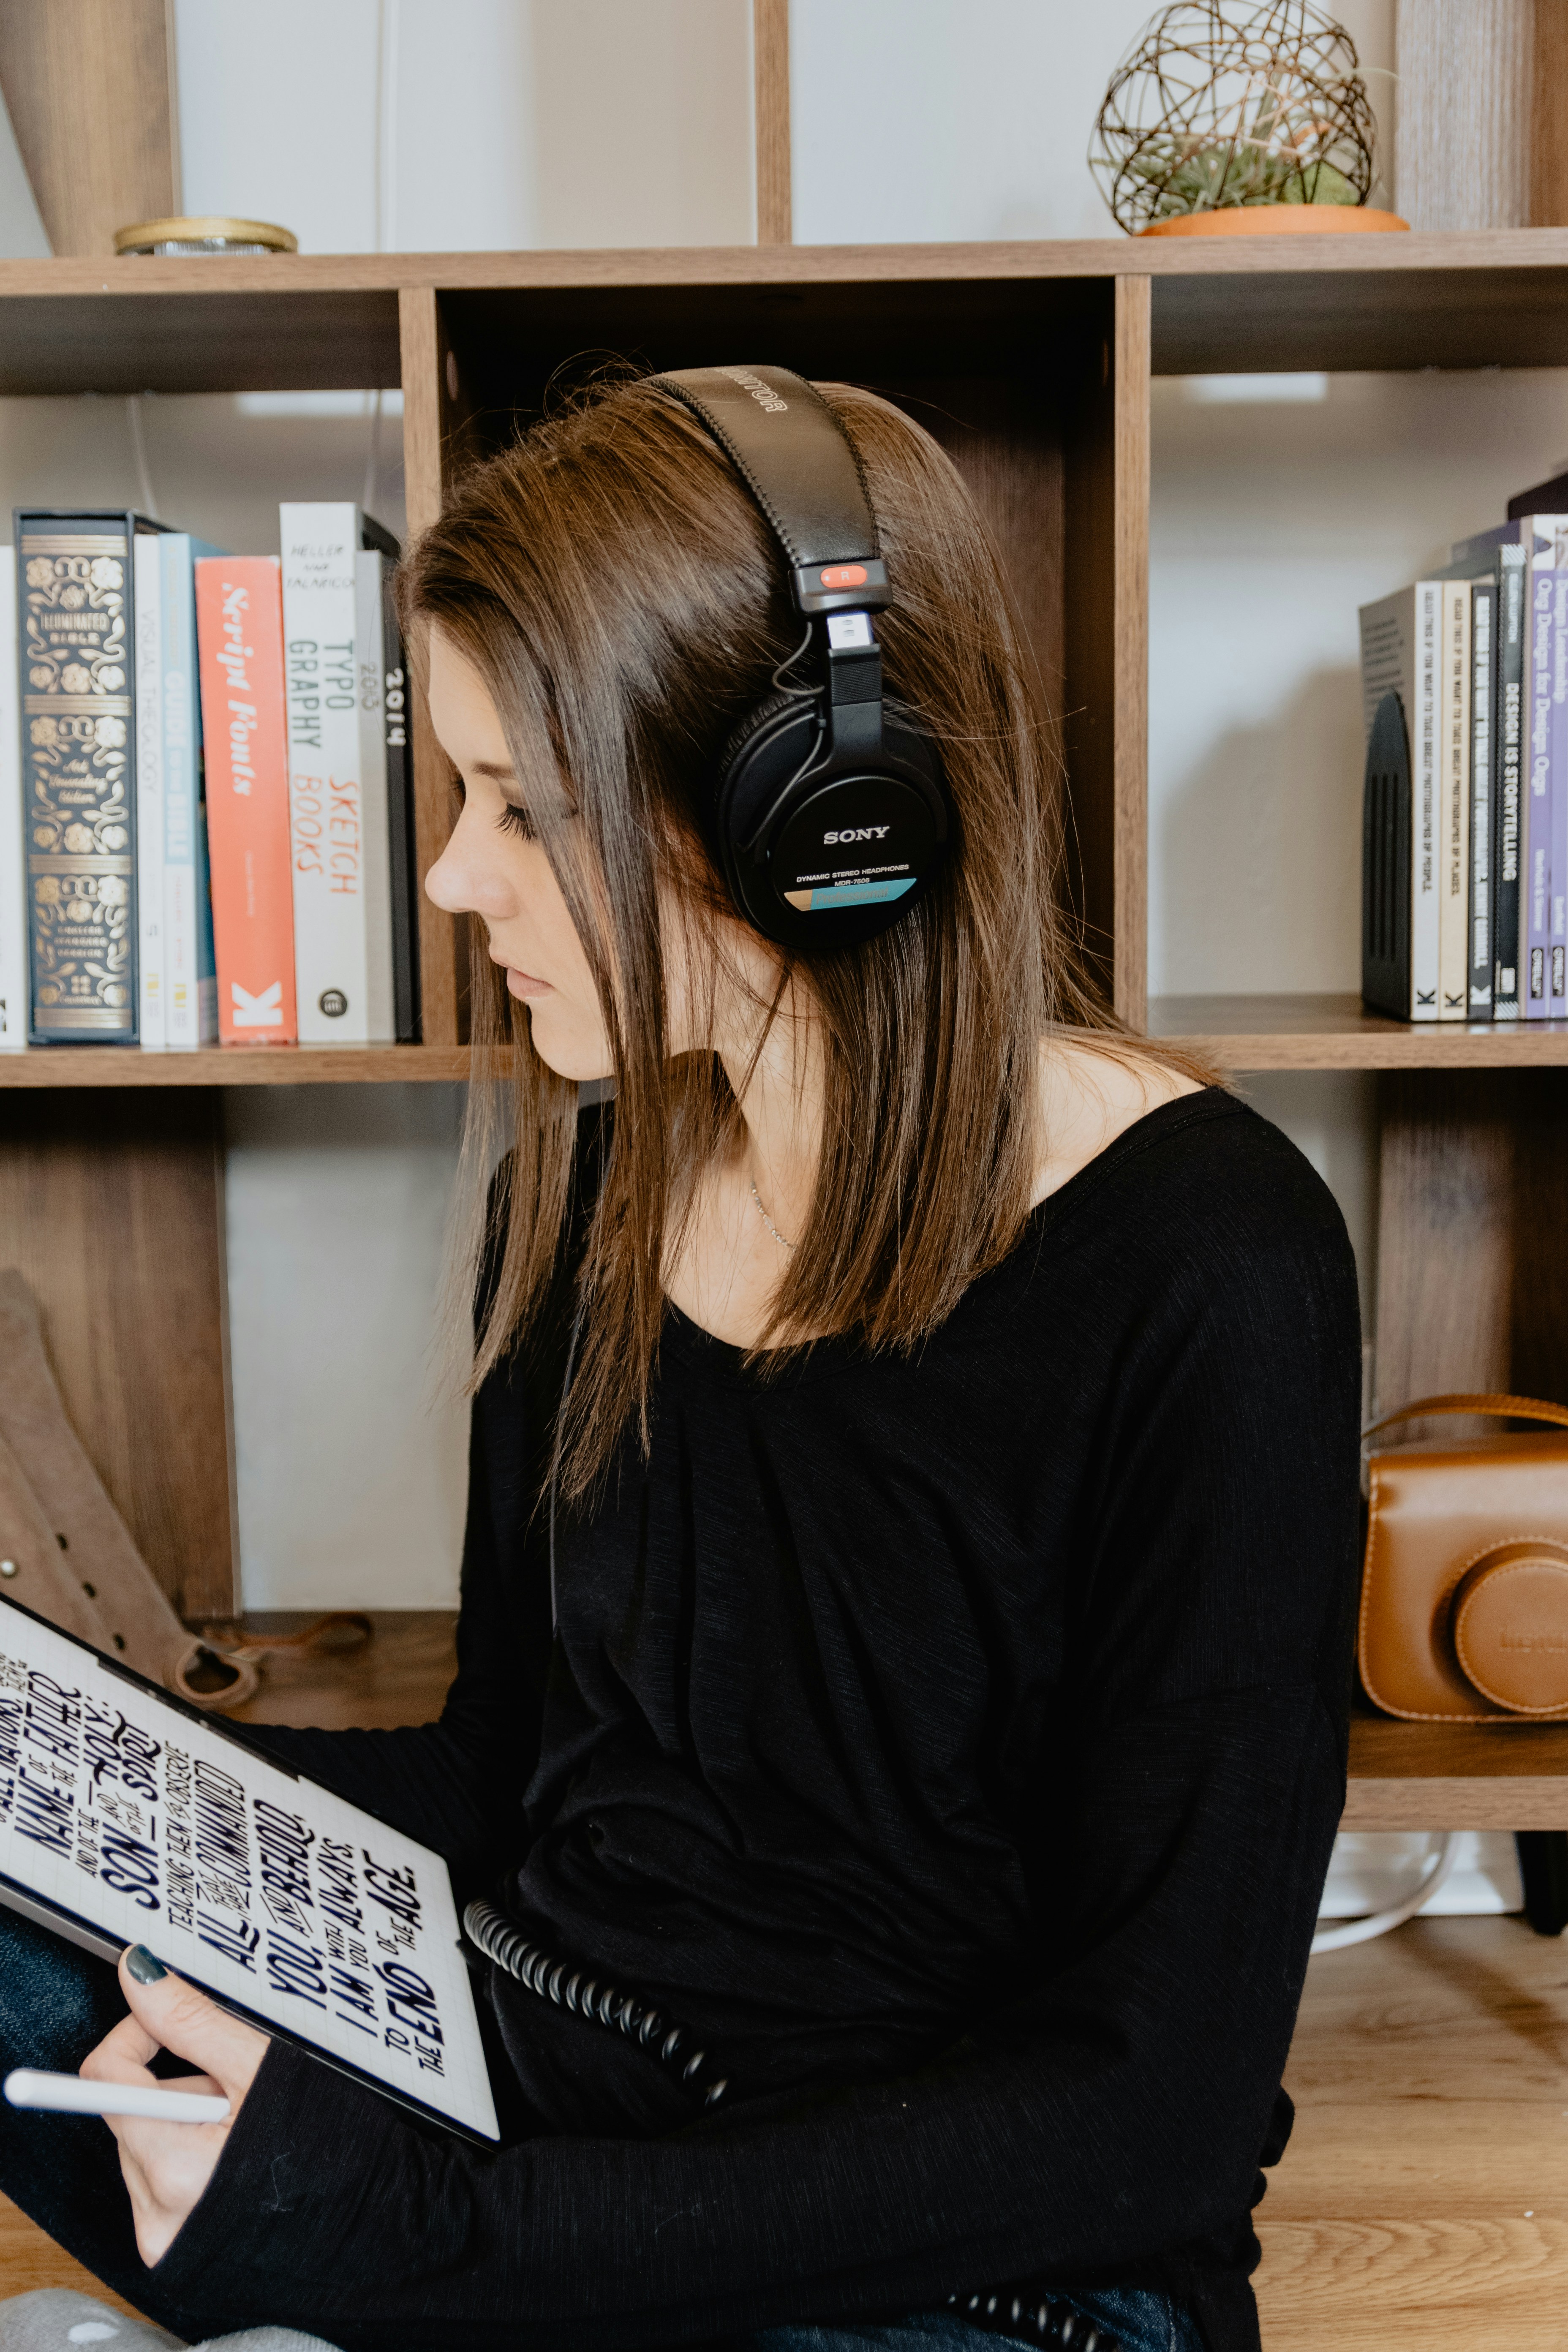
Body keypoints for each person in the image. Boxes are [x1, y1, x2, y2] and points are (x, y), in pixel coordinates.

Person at [0, 372, 1361, 2352]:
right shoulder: (577, 1191)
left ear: (822, 813)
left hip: (961, 2258)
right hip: (526, 2075)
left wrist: (433, 2244)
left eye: (526, 809)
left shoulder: (1213, 1266)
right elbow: (506, 1771)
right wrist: (77, 1761)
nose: (458, 884)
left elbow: (1150, 2115)